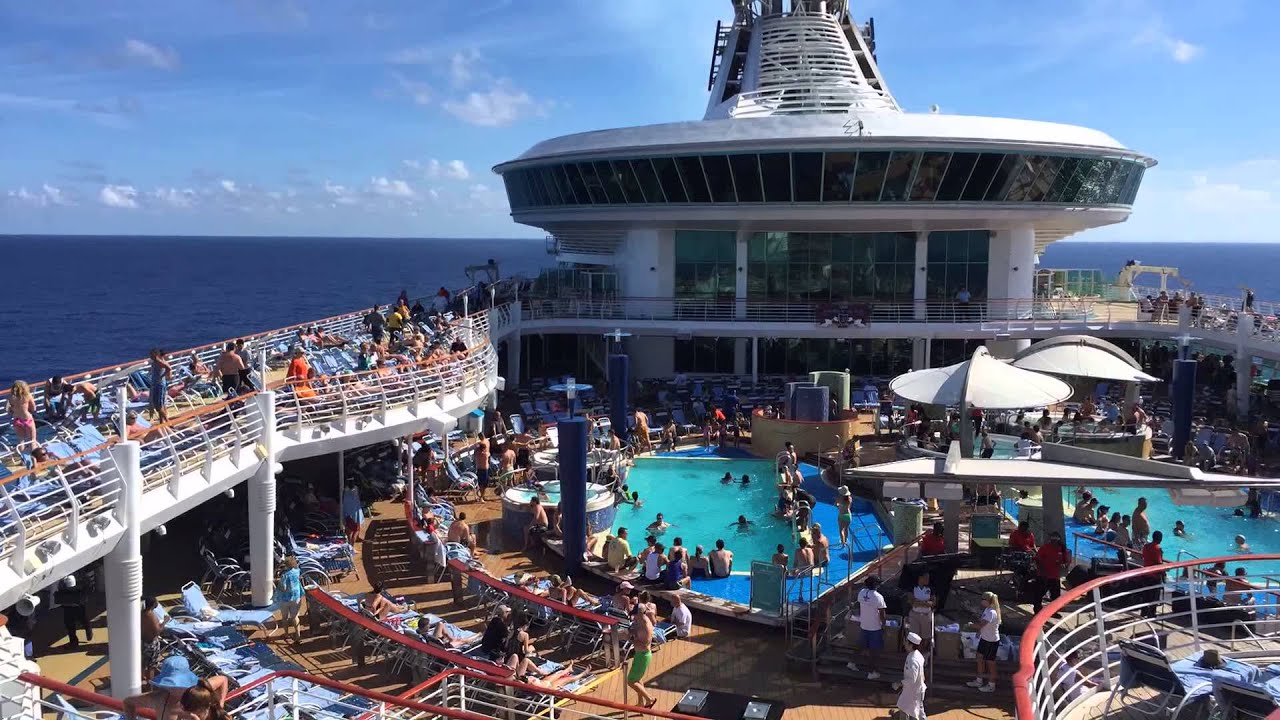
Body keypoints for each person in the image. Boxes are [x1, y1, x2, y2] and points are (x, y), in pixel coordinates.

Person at [124, 656, 227, 720]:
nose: (174, 689)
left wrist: (221, 703)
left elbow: (223, 679)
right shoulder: (158, 698)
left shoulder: (200, 691)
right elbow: (128, 702)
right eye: (170, 685)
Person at [849, 576, 887, 680]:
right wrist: (884, 625)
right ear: (875, 585)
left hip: (864, 624)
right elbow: (882, 613)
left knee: (860, 646)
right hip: (875, 627)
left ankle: (852, 662)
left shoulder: (861, 593)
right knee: (874, 651)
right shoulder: (878, 597)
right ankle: (871, 672)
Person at [966, 591, 1001, 693]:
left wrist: (971, 625)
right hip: (985, 639)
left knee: (990, 663)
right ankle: (979, 680)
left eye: (983, 599)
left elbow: (981, 625)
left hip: (992, 641)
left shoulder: (991, 613)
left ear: (988, 601)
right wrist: (979, 633)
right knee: (979, 658)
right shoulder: (987, 610)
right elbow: (983, 626)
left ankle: (991, 685)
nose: (981, 601)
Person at [626, 602, 658, 708]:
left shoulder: (646, 626)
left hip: (643, 655)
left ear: (640, 613)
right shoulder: (640, 621)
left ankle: (649, 699)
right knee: (638, 679)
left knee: (631, 681)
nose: (634, 615)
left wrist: (630, 639)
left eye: (635, 613)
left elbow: (644, 645)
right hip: (640, 654)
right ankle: (641, 703)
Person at [1033, 532, 1071, 613]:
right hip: (1043, 575)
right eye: (1053, 540)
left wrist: (1064, 565)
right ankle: (1037, 610)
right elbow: (1037, 559)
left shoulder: (1062, 549)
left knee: (1056, 596)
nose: (1054, 542)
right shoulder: (1045, 547)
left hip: (1055, 576)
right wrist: (1042, 571)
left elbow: (1066, 561)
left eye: (1056, 540)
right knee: (1039, 594)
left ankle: (1053, 612)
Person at [896, 631, 927, 720]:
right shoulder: (918, 655)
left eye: (906, 642)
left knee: (906, 709)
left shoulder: (912, 660)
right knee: (918, 712)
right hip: (917, 689)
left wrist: (900, 684)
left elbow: (912, 679)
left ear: (911, 645)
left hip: (912, 691)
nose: (904, 643)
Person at [56, 575, 92, 649]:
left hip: (70, 608)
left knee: (71, 625)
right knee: (78, 622)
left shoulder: (63, 588)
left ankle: (74, 642)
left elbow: (59, 588)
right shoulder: (80, 588)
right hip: (75, 607)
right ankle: (87, 631)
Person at [276, 556, 304, 641]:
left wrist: (278, 585)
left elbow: (284, 588)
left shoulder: (285, 575)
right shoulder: (297, 571)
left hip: (285, 599)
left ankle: (286, 634)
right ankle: (298, 635)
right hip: (296, 597)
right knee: (295, 617)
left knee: (285, 618)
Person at [1140, 530, 1165, 618]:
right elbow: (1159, 563)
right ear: (1159, 538)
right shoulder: (1157, 548)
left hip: (1145, 573)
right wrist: (1164, 570)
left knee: (1145, 594)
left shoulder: (1146, 546)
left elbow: (1144, 557)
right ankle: (1151, 613)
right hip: (1154, 576)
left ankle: (1143, 612)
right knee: (1154, 595)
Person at [8, 381, 38, 452]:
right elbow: (33, 408)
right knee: (32, 439)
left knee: (21, 440)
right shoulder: (27, 396)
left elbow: (9, 410)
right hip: (27, 419)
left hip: (17, 419)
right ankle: (34, 455)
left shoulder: (11, 397)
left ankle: (22, 455)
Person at [907, 570, 934, 646]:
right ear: (920, 578)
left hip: (926, 615)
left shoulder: (930, 589)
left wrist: (919, 602)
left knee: (925, 636)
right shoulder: (913, 588)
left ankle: (924, 649)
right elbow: (912, 602)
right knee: (914, 636)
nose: (928, 580)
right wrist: (925, 602)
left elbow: (932, 603)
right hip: (915, 615)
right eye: (926, 578)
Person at [141, 596, 164, 680]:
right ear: (153, 604)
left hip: (143, 641)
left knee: (143, 663)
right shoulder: (151, 615)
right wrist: (165, 622)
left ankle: (142, 678)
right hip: (151, 643)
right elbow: (157, 631)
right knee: (152, 665)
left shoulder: (142, 613)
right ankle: (150, 683)